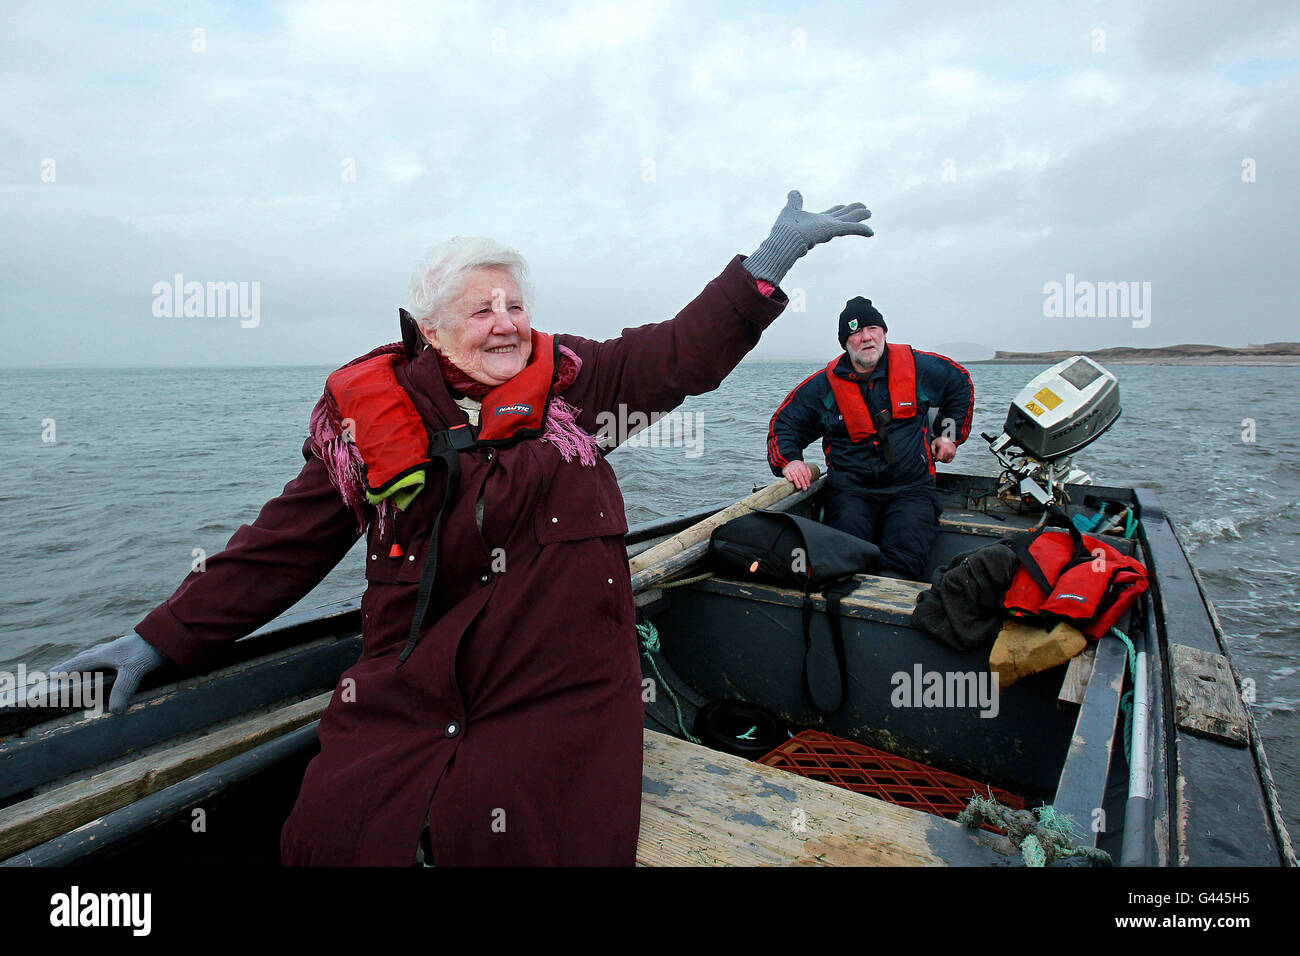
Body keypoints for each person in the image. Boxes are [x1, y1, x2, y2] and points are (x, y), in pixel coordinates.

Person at [45, 190, 873, 866]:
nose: (507, 322)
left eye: (516, 305)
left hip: (563, 692)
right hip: (411, 692)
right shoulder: (372, 420)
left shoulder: (574, 385)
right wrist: (160, 640)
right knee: (332, 835)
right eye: (481, 310)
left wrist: (769, 262)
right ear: (430, 329)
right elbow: (281, 548)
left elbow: (678, 355)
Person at [767, 296, 973, 579]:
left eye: (872, 328)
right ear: (845, 343)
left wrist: (949, 436)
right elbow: (784, 424)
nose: (866, 337)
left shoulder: (919, 368)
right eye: (855, 332)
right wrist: (790, 461)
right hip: (851, 492)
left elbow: (960, 383)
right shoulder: (822, 386)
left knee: (902, 563)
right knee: (842, 564)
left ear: (884, 333)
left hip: (911, 490)